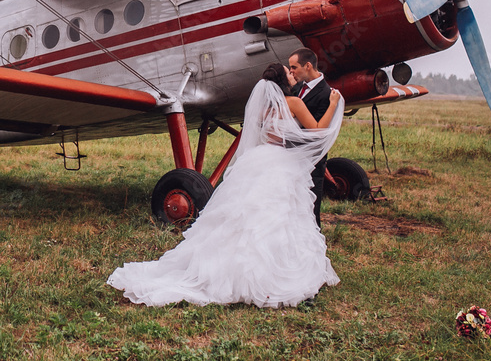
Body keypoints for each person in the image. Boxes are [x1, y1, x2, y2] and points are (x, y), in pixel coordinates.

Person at [106, 62, 343, 308]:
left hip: (259, 158)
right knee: (281, 214)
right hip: (279, 162)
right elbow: (317, 129)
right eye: (288, 73)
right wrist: (334, 104)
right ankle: (274, 272)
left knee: (247, 216)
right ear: (283, 81)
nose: (292, 75)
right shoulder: (293, 103)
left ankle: (232, 266)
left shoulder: (264, 107)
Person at [288, 48, 332, 228]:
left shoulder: (326, 93)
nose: (291, 72)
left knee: (311, 205)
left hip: (311, 159)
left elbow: (319, 131)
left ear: (308, 66)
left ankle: (314, 243)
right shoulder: (298, 87)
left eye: (294, 67)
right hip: (290, 156)